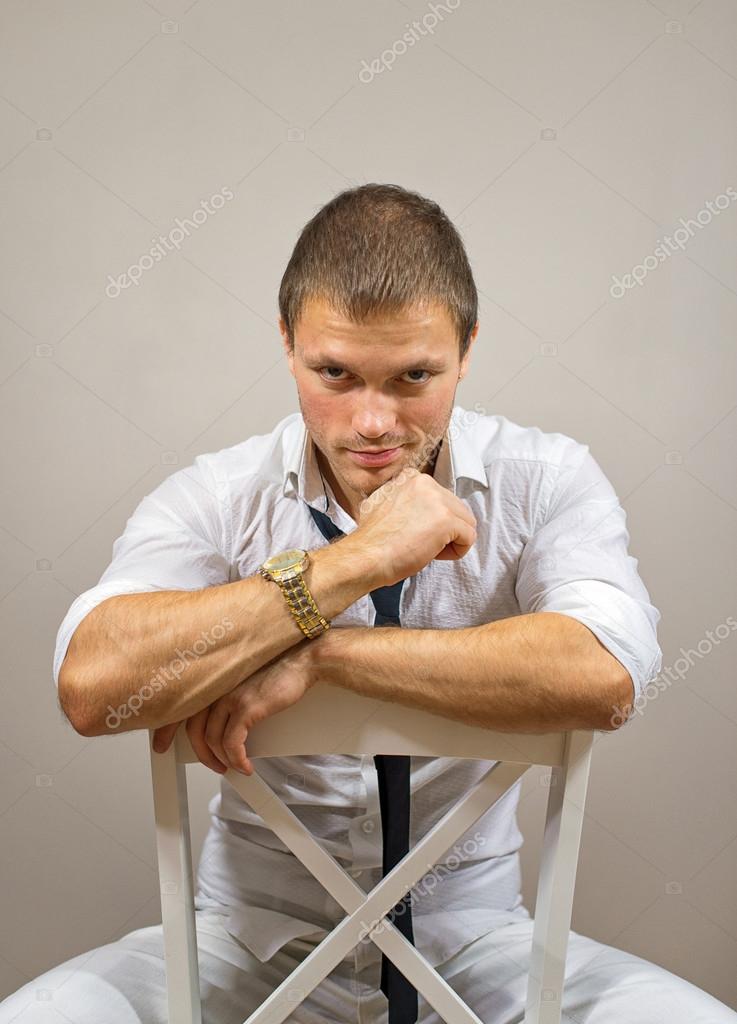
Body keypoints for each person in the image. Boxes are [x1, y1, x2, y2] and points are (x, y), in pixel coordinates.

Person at [2, 184, 734, 1023]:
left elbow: (605, 675)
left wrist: (319, 655)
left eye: (414, 376)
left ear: (467, 348)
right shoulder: (217, 493)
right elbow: (93, 685)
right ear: (286, 345)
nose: (373, 422)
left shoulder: (549, 479)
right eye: (334, 375)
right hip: (241, 937)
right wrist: (354, 563)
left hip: (476, 940)